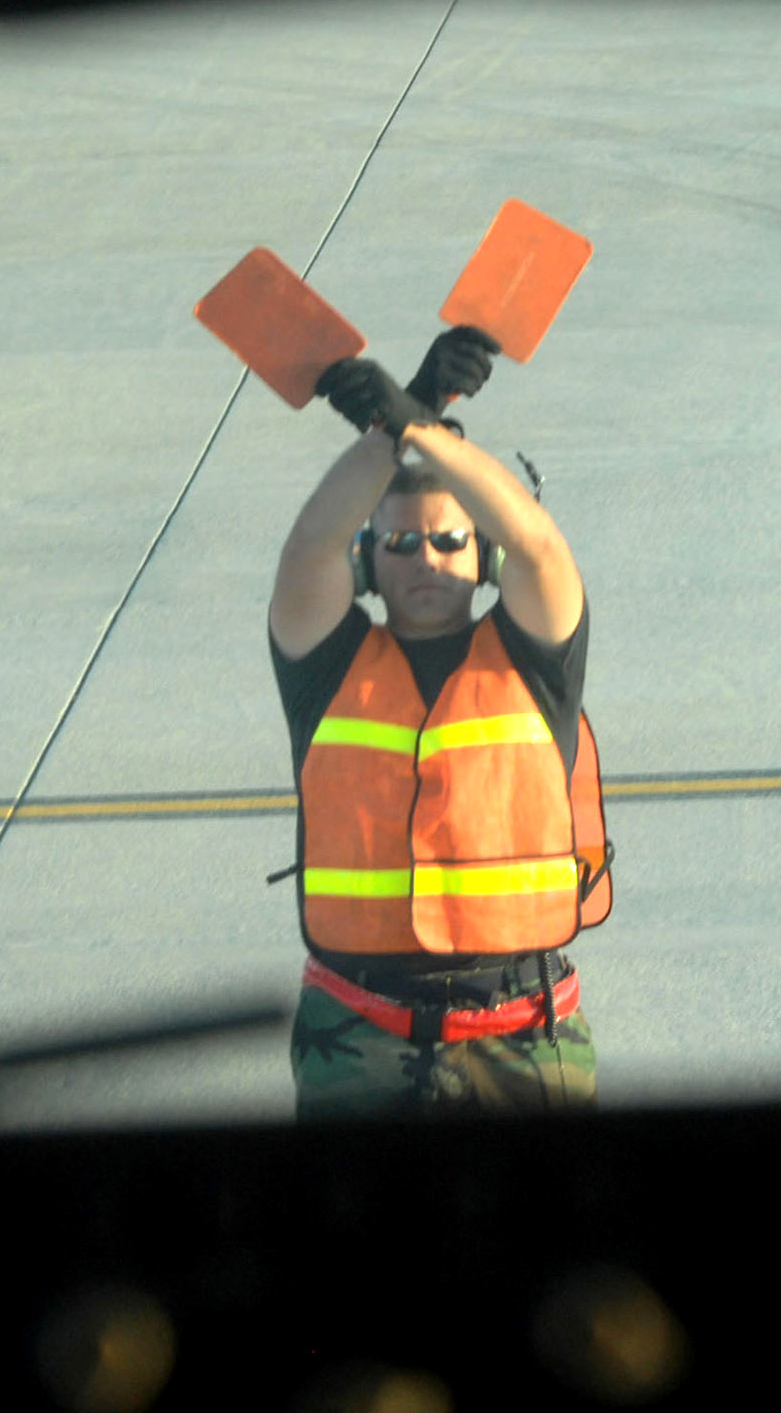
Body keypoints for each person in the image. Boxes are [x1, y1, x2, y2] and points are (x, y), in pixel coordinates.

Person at [268, 325, 614, 1117]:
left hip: (524, 1036)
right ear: (367, 565)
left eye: (451, 539)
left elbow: (537, 544)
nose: (426, 557)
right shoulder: (324, 662)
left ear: (482, 557)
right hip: (357, 1037)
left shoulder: (536, 655)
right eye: (399, 542)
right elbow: (309, 545)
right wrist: (400, 424)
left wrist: (419, 423)